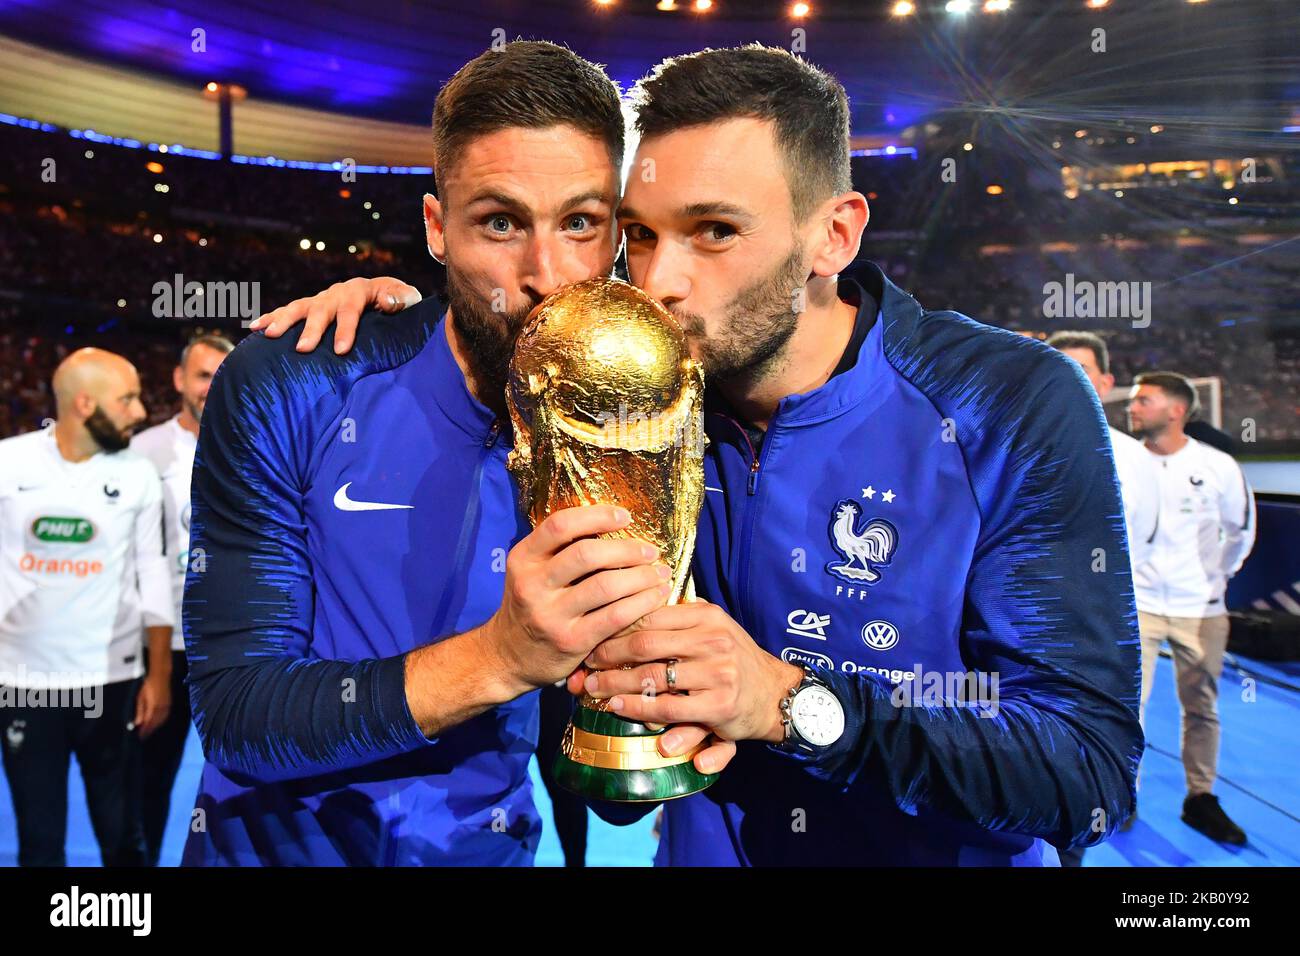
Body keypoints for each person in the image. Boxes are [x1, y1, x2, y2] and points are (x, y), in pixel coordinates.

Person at [273, 45, 1143, 866]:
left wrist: (789, 705)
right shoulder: (627, 397)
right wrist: (380, 323)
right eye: (640, 235)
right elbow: (623, 791)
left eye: (715, 231)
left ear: (833, 236)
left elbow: (1087, 772)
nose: (658, 284)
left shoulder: (1004, 400)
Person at [181, 41, 676, 866]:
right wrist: (501, 657)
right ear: (437, 228)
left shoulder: (632, 426)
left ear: (616, 236)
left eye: (581, 222)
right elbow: (237, 715)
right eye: (500, 222)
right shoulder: (294, 382)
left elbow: (606, 775)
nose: (546, 275)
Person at [0, 347, 174, 866]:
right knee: (40, 841)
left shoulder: (140, 474)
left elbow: (154, 577)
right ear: (82, 404)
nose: (141, 412)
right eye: (126, 399)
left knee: (124, 839)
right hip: (24, 684)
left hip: (113, 681)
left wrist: (159, 676)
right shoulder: (8, 464)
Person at [1127, 371, 1255, 845]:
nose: (1133, 407)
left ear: (1176, 410)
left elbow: (1240, 530)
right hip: (1136, 604)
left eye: (1145, 400)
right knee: (1128, 705)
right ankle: (1125, 793)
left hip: (1200, 609)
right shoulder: (1122, 462)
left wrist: (1214, 580)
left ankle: (1200, 798)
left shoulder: (1218, 466)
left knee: (1201, 707)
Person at [1046, 330, 1159, 861]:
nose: (1067, 378)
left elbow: (1146, 535)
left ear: (1107, 382)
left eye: (1082, 369)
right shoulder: (998, 438)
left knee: (1085, 749)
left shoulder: (1136, 460)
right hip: (1014, 629)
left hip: (1097, 633)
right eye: (1055, 364)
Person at [130, 333, 233, 865]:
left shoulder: (260, 445)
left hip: (239, 643)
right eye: (201, 374)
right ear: (177, 380)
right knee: (148, 780)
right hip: (162, 646)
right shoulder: (142, 453)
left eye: (223, 372)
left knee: (246, 783)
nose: (211, 385)